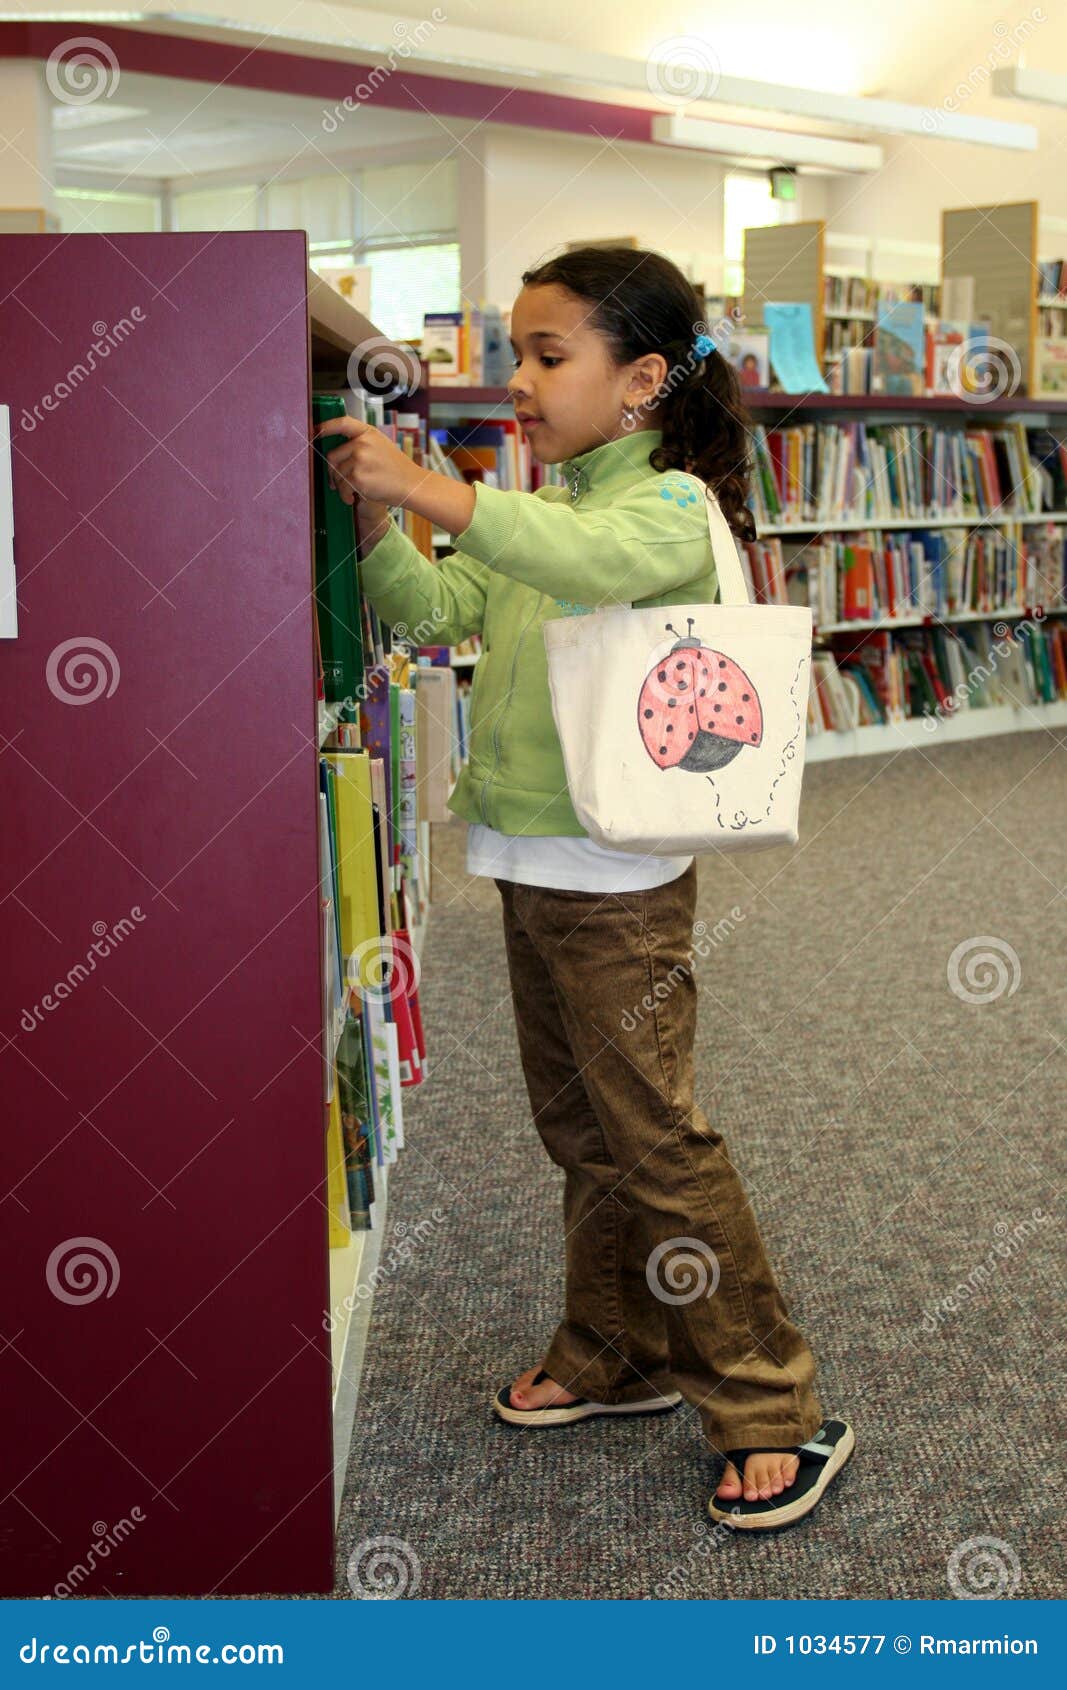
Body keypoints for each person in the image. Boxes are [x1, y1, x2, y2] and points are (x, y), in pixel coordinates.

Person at [313, 245, 853, 1532]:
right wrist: (385, 519)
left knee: (656, 1137)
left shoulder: (658, 510)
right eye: (514, 355)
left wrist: (432, 483)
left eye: (549, 357)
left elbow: (575, 555)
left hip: (614, 871)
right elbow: (447, 600)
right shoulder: (544, 502)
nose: (519, 382)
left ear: (643, 382)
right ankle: (612, 1350)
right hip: (526, 859)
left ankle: (766, 1399)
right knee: (583, 1132)